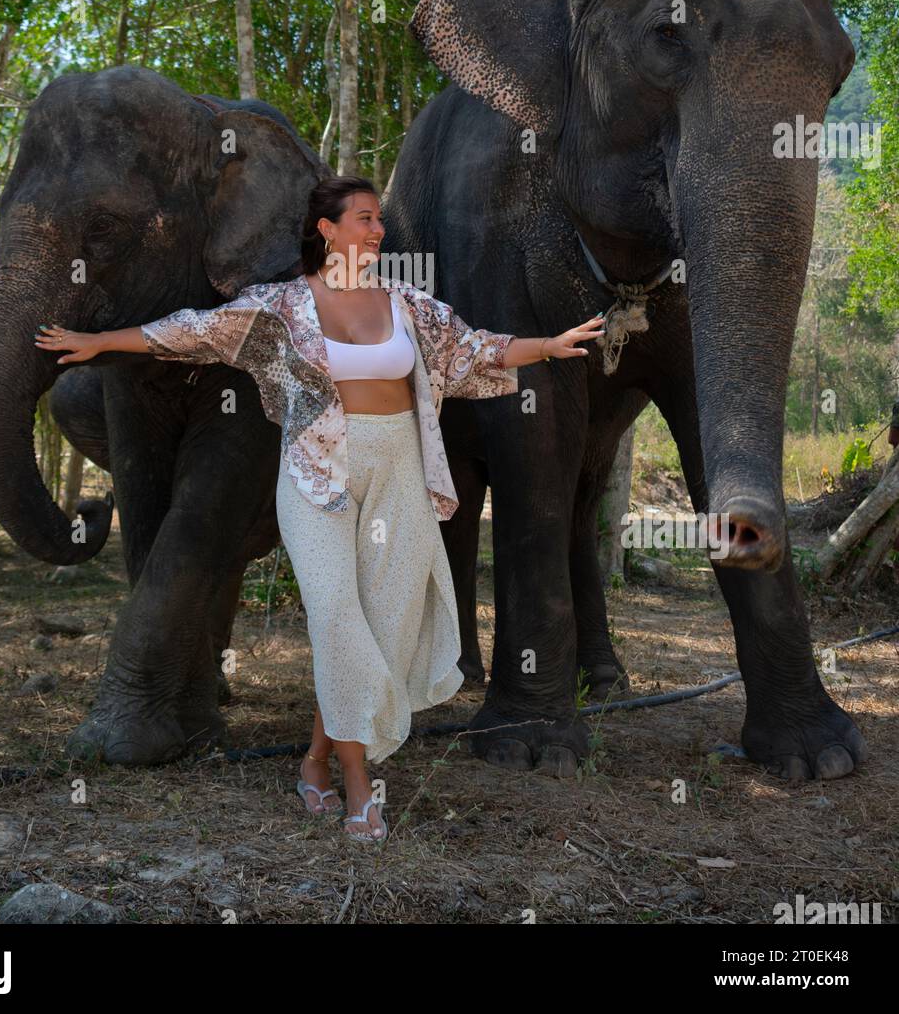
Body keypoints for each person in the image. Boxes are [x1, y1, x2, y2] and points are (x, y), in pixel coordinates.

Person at [34, 175, 604, 841]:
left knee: (382, 626)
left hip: (400, 471)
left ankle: (315, 761)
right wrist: (102, 343)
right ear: (325, 229)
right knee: (337, 619)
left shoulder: (407, 305)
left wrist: (548, 346)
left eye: (377, 220)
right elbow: (196, 332)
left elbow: (475, 349)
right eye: (362, 218)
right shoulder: (282, 307)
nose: (376, 229)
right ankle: (361, 788)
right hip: (315, 472)